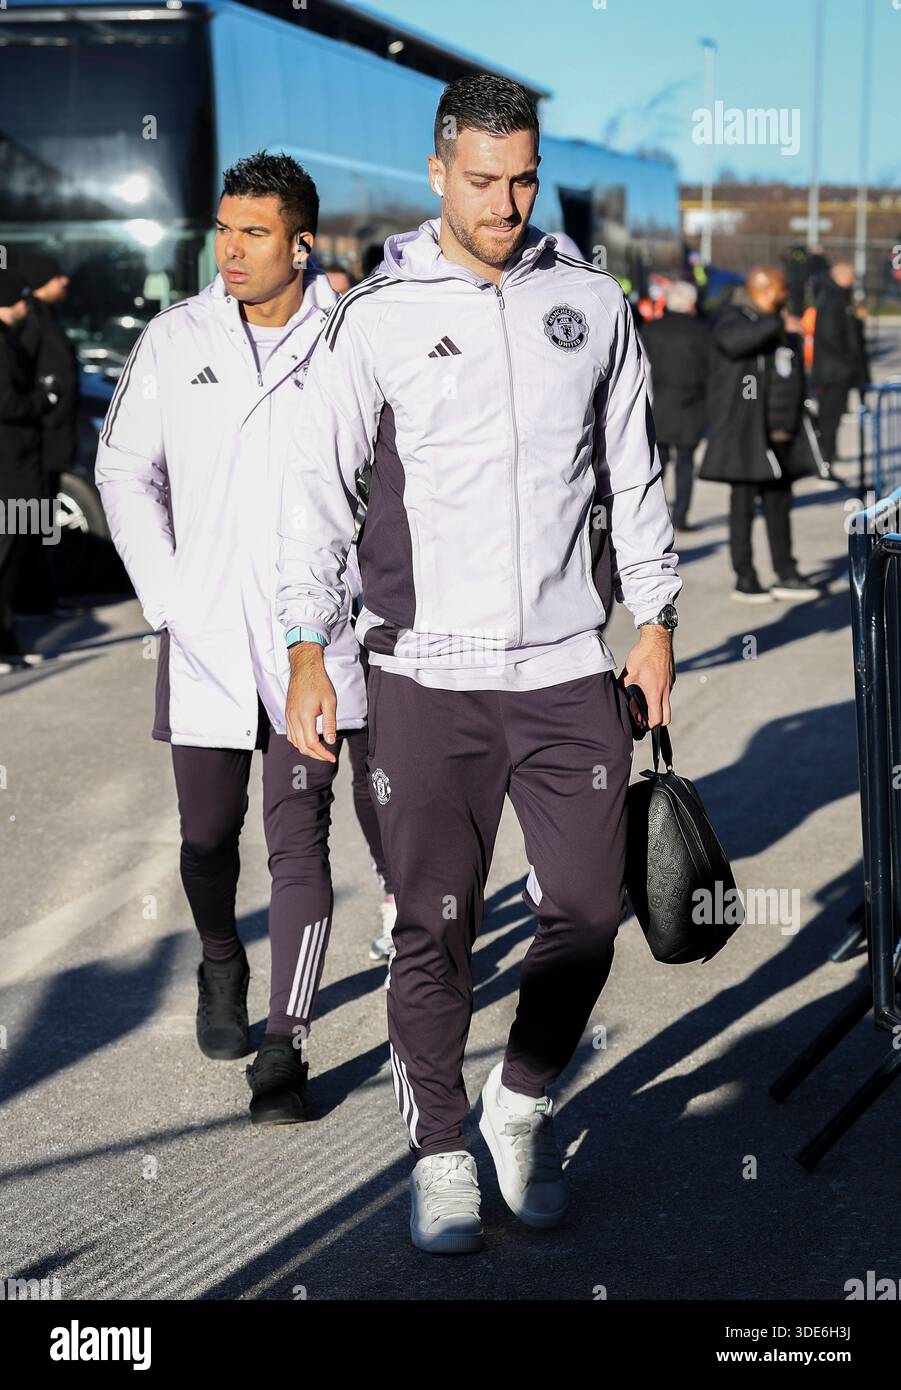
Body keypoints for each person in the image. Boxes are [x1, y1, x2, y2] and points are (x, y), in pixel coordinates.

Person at [279, 74, 681, 1254]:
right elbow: (315, 500)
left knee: (591, 914)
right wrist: (308, 646)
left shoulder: (591, 302)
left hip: (565, 668)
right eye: (482, 180)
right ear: (437, 171)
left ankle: (517, 1102)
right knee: (433, 928)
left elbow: (633, 477)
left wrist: (652, 617)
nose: (506, 203)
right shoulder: (377, 315)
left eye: (523, 179)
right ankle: (441, 1147)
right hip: (422, 676)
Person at [95, 151, 392, 1125]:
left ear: (301, 242)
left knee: (299, 838)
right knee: (205, 836)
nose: (230, 248)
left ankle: (285, 1043)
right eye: (223, 230)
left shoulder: (353, 339)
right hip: (207, 632)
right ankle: (220, 957)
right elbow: (122, 471)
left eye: (253, 232)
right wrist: (170, 598)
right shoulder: (176, 338)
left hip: (317, 638)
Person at [699, 266, 824, 603]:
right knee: (742, 507)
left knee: (780, 506)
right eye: (782, 288)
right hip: (746, 436)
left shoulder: (782, 328)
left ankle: (786, 572)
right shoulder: (732, 317)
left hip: (781, 434)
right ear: (765, 289)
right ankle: (745, 576)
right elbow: (735, 343)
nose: (786, 295)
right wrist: (778, 324)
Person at [16, 252, 80, 616]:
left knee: (41, 521)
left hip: (50, 440)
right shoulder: (31, 319)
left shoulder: (44, 317)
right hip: (38, 440)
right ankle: (32, 598)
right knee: (32, 521)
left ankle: (41, 596)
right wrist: (45, 403)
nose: (65, 282)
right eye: (58, 277)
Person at [0, 268, 57, 671]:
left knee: (13, 557)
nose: (26, 305)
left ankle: (7, 640)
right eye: (19, 299)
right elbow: (6, 402)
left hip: (17, 465)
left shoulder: (9, 340)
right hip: (8, 468)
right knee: (4, 557)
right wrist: (43, 397)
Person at [639, 281, 709, 531]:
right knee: (685, 464)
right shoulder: (702, 331)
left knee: (656, 464)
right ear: (690, 304)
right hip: (691, 405)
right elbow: (708, 371)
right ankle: (680, 518)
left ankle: (655, 519)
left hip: (656, 404)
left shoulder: (651, 329)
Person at [812, 261, 870, 467]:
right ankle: (823, 457)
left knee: (835, 417)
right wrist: (847, 362)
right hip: (833, 372)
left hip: (841, 371)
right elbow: (831, 336)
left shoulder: (842, 299)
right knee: (829, 416)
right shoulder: (831, 299)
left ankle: (830, 453)